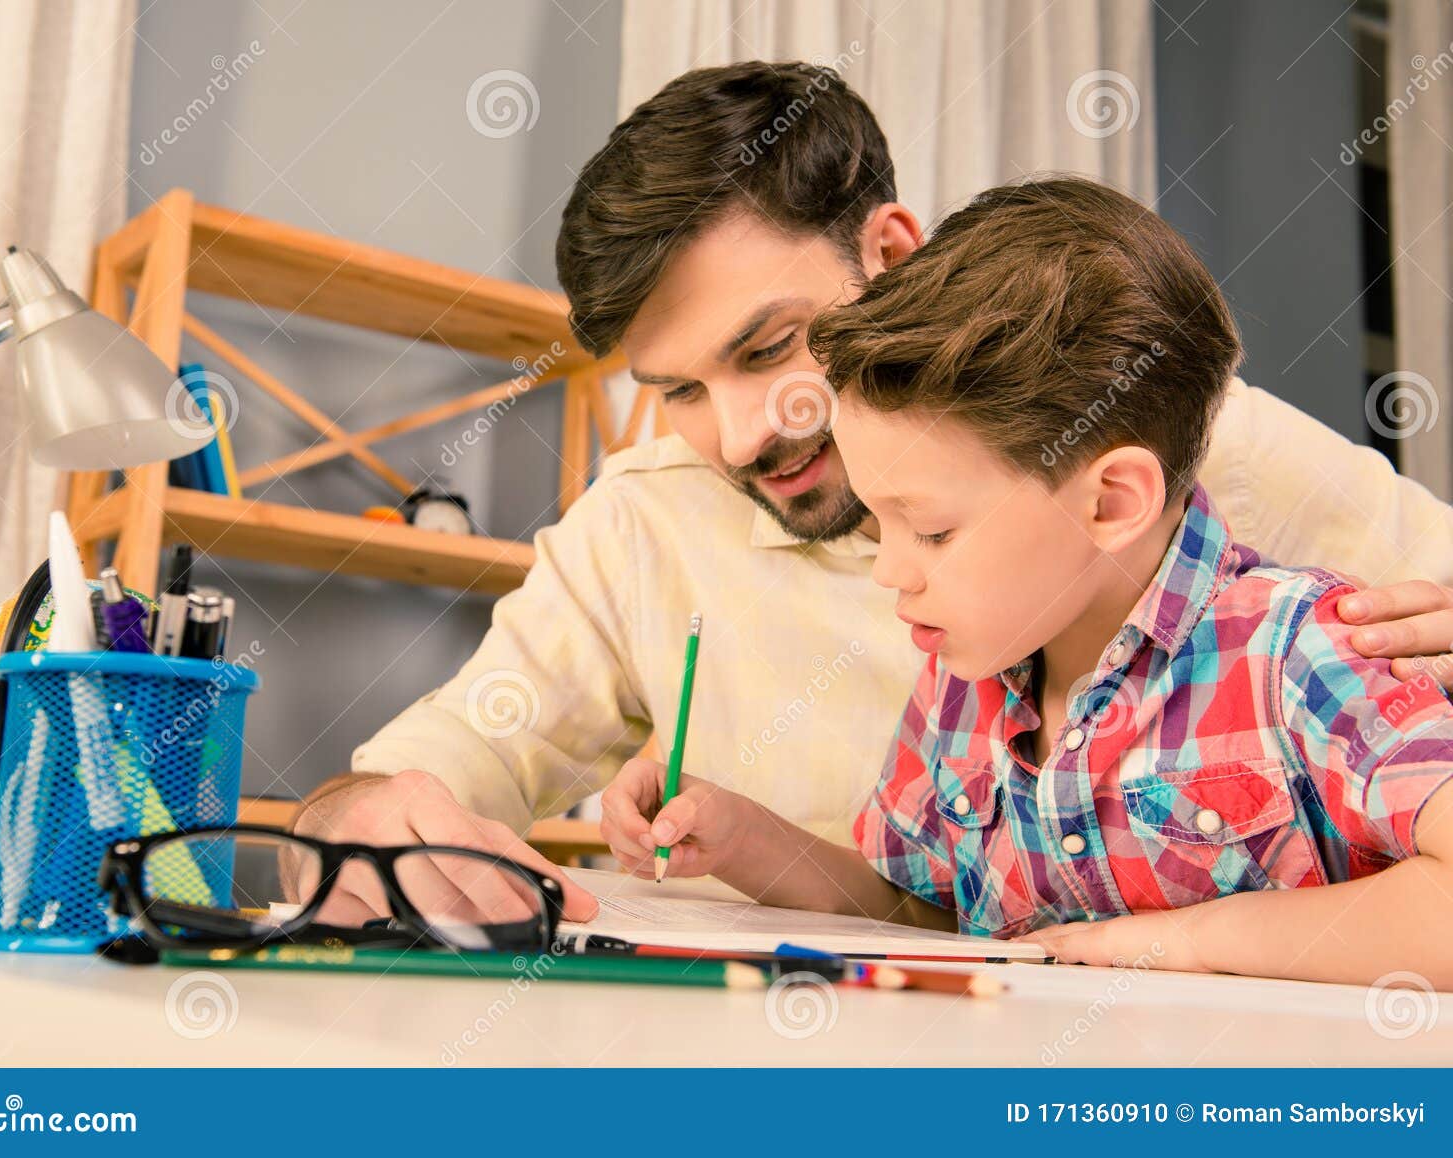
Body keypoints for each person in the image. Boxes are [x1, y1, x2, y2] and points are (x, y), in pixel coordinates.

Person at [300, 62, 1453, 926]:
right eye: (679, 392)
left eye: (767, 350)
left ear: (891, 255)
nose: (743, 436)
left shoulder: (1173, 430)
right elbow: (446, 756)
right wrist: (350, 815)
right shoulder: (641, 520)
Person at [599, 176, 1453, 988]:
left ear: (1112, 501)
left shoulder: (1303, 652)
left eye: (931, 529)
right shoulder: (962, 682)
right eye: (879, 518)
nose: (891, 568)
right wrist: (747, 840)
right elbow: (921, 912)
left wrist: (1182, 943)